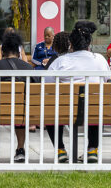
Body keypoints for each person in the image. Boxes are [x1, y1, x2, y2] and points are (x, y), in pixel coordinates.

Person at [45, 22, 107, 163]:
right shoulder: (100, 60)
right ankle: (92, 149)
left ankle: (60, 150)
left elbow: (47, 84)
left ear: (70, 44)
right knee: (94, 106)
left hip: (65, 111)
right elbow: (106, 79)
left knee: (50, 111)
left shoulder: (61, 61)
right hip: (94, 110)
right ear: (89, 43)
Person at [0, 31, 34, 163]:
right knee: (21, 111)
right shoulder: (28, 68)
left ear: (4, 51)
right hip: (22, 112)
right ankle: (20, 149)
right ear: (18, 52)